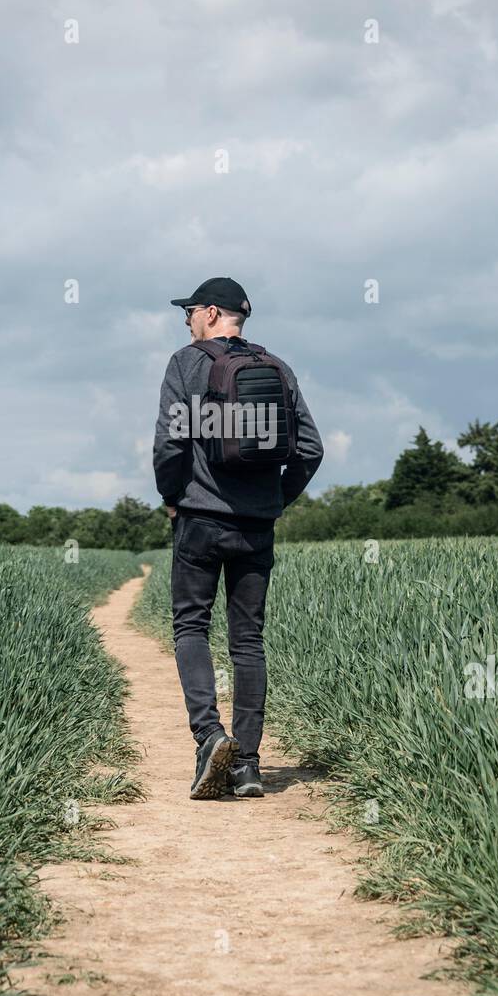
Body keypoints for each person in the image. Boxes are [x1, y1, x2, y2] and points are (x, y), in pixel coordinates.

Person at [153, 276, 324, 800]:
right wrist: (275, 501)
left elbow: (170, 444)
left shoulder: (186, 364)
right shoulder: (278, 369)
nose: (186, 322)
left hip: (200, 519)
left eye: (188, 313)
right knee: (248, 640)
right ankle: (248, 765)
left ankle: (209, 737)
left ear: (208, 313)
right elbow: (311, 450)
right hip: (257, 526)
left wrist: (173, 496)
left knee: (190, 627)